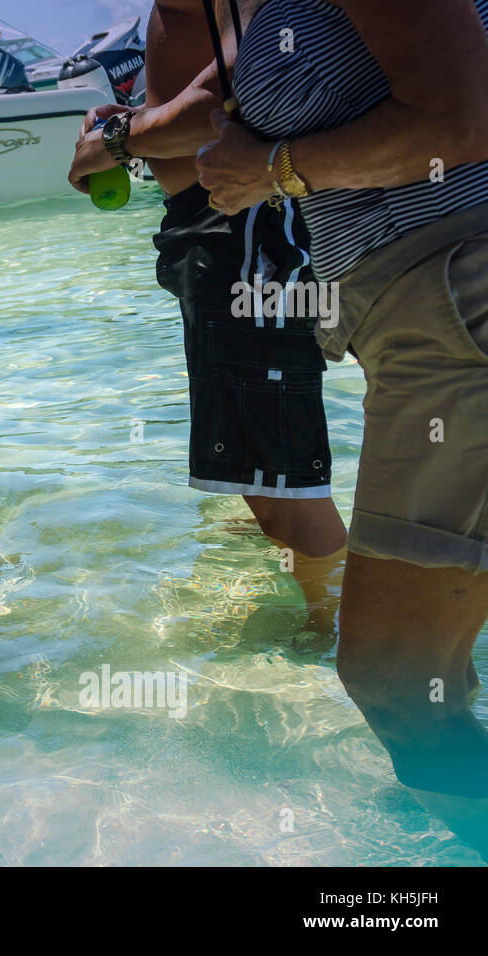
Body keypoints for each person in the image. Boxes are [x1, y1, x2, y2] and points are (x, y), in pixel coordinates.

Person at [198, 0, 488, 798]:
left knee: (396, 683)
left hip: (459, 291)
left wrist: (273, 173)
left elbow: (463, 118)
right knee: (436, 677)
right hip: (429, 308)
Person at [67, 0, 347, 637]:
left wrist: (118, 141)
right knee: (265, 474)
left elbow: (243, 86)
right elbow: (209, 83)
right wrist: (139, 124)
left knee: (283, 486)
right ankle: (358, 636)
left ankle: (358, 644)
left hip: (248, 220)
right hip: (218, 220)